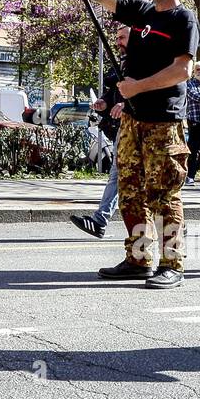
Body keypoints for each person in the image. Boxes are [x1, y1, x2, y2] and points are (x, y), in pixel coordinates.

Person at [72, 0, 199, 289]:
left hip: (163, 121)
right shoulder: (142, 12)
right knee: (129, 192)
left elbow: (182, 71)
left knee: (164, 194)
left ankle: (172, 264)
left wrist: (137, 87)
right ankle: (139, 258)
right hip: (132, 119)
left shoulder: (183, 19)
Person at [70, 25, 130, 239]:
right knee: (117, 175)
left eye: (123, 37)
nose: (118, 42)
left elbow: (148, 91)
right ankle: (100, 220)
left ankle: (170, 225)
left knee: (150, 179)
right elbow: (114, 91)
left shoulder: (142, 61)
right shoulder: (119, 64)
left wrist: (127, 105)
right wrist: (104, 103)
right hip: (124, 129)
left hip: (142, 128)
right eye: (117, 38)